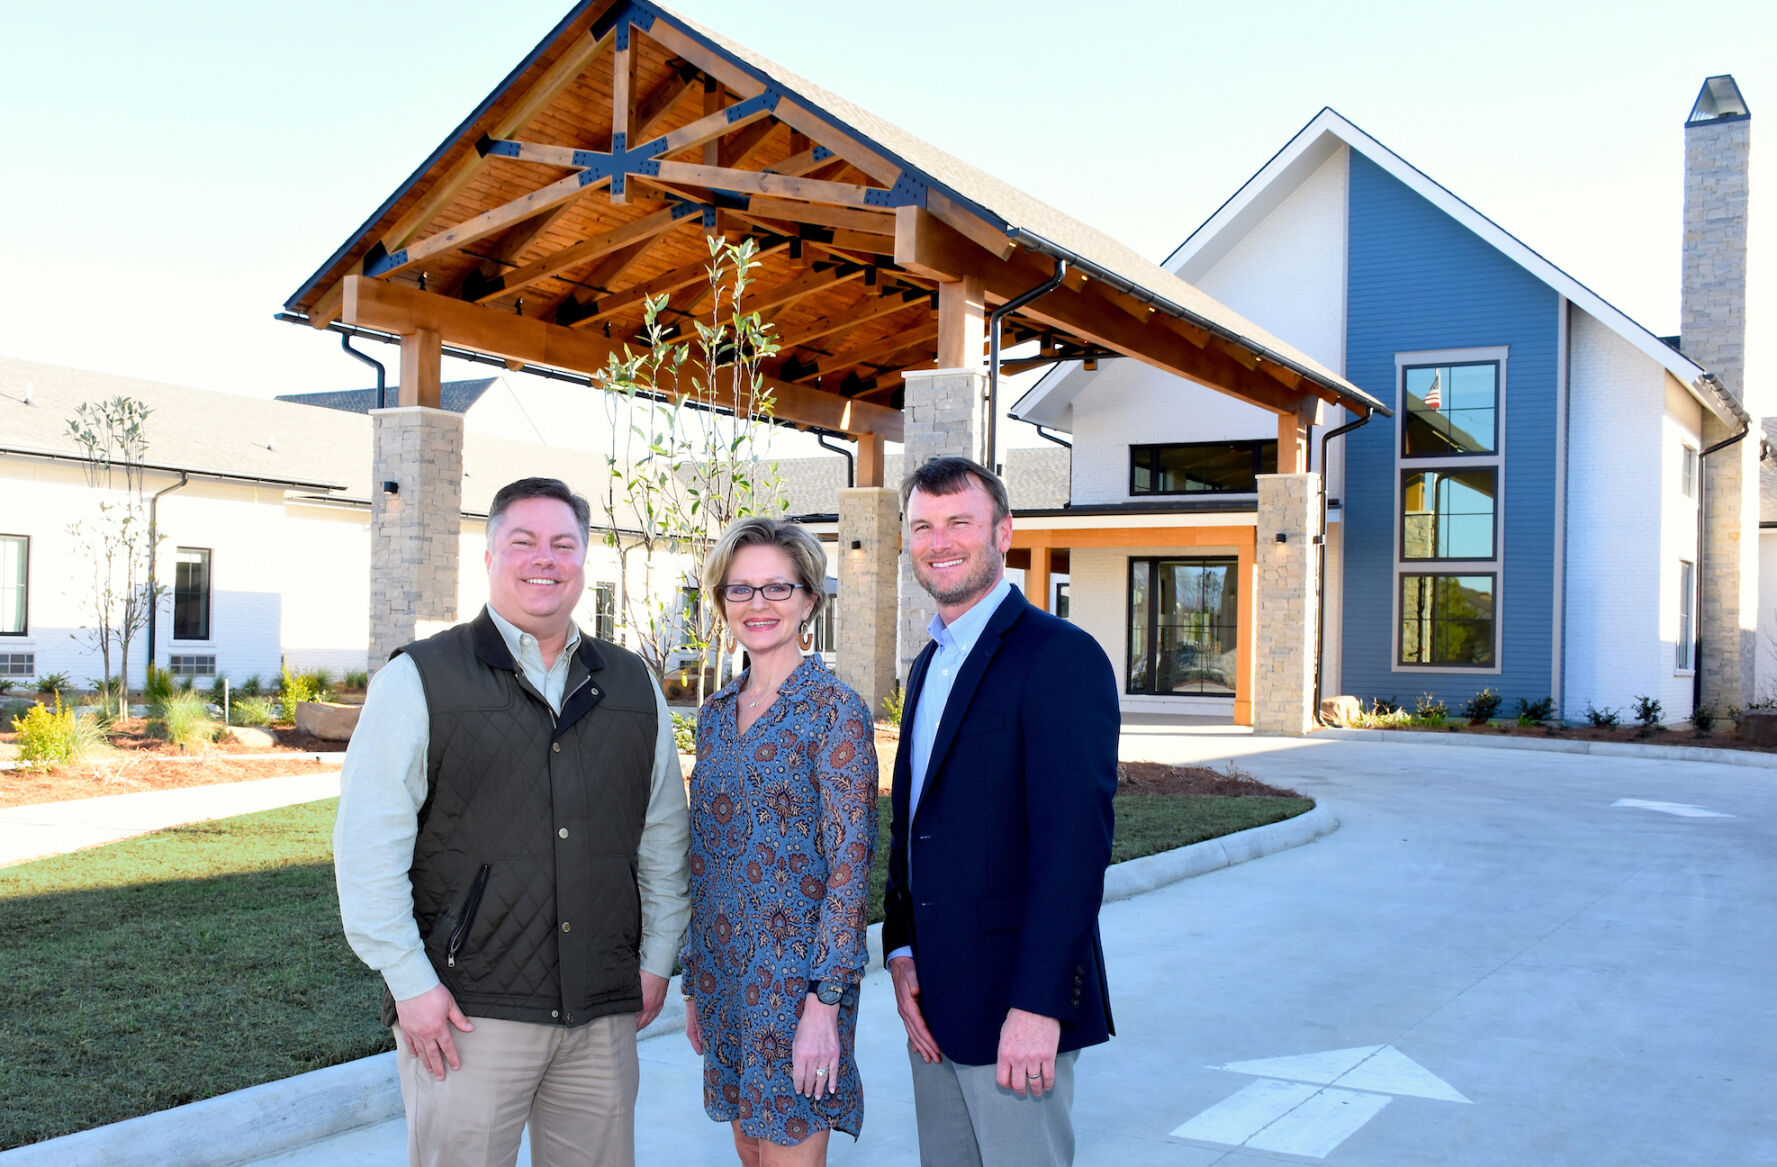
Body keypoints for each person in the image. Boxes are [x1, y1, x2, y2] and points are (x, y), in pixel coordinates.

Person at [333, 476, 690, 1167]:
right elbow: (367, 847)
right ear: (489, 556)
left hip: (601, 1009)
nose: (544, 559)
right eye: (522, 542)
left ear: (584, 561)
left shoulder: (631, 683)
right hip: (467, 1010)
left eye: (563, 543)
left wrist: (655, 958)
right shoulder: (419, 679)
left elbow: (662, 837)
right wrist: (410, 981)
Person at [883, 456, 1119, 1167]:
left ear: (1003, 532)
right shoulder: (929, 661)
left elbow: (1074, 848)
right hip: (935, 1003)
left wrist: (1039, 1004)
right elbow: (914, 825)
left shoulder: (1060, 656)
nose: (939, 540)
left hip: (1014, 1008)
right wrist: (899, 949)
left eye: (959, 521)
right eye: (922, 525)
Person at [680, 517, 879, 1167]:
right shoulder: (712, 715)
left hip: (797, 984)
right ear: (720, 602)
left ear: (808, 600)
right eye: (739, 589)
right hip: (723, 973)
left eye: (776, 587)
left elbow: (851, 869)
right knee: (747, 1145)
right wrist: (691, 981)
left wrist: (826, 1003)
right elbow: (701, 855)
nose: (757, 604)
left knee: (787, 1148)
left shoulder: (833, 709)